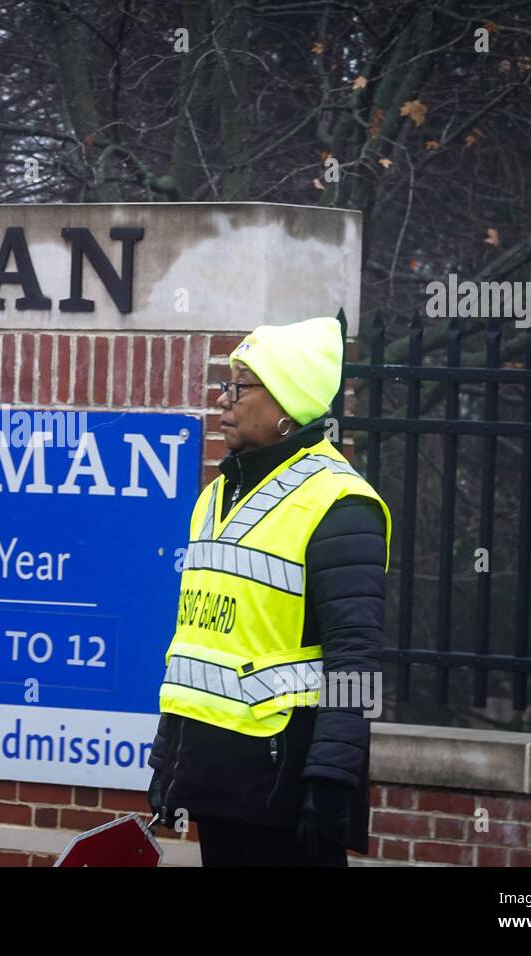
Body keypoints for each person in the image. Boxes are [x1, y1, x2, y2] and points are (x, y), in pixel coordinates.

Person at [146, 315, 391, 867]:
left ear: (286, 403)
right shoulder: (215, 496)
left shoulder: (340, 504)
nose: (224, 401)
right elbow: (196, 644)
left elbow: (354, 657)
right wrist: (169, 758)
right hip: (217, 777)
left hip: (287, 784)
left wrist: (331, 780)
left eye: (241, 386)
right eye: (225, 385)